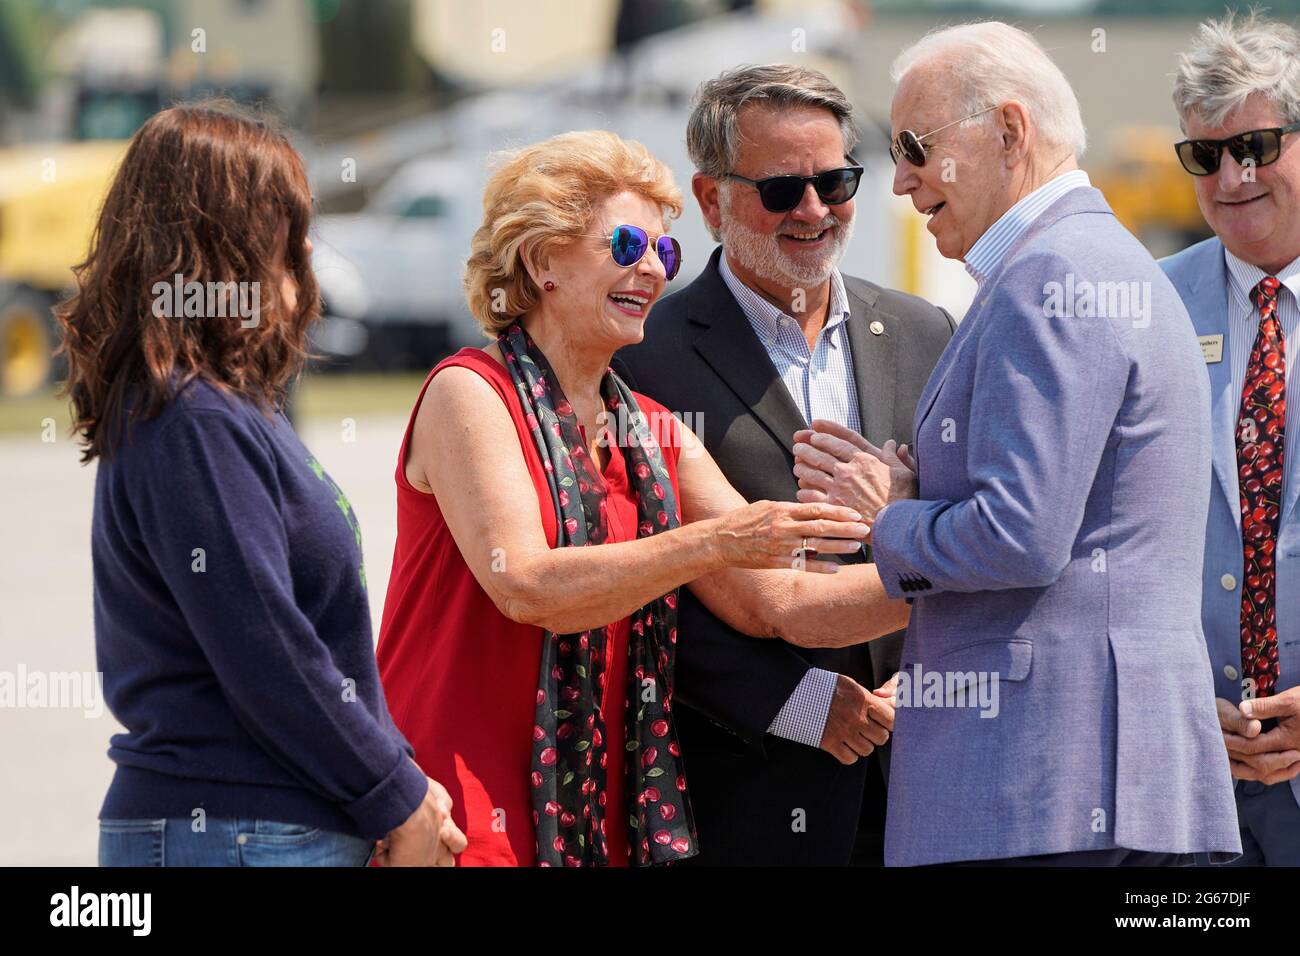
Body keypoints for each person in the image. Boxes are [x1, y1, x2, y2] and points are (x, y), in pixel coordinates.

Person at [375, 129, 910, 867]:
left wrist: (953, 575)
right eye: (627, 244)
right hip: (461, 811)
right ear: (540, 258)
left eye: (666, 253)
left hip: (593, 820)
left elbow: (776, 600)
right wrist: (715, 542)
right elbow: (527, 585)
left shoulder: (653, 431)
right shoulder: (471, 393)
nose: (653, 270)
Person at [799, 22, 1241, 865]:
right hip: (1097, 780)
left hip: (1038, 787)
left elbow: (1019, 535)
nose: (902, 182)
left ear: (1008, 131)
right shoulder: (1102, 260)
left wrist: (886, 514)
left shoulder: (1052, 275)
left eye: (917, 148)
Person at [60, 102, 466, 867]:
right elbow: (265, 648)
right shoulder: (193, 420)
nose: (306, 245)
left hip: (263, 824)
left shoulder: (228, 407)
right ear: (226, 242)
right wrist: (396, 794)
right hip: (233, 827)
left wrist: (400, 771)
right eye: (285, 221)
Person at [614, 64, 954, 866]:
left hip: (926, 776)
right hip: (749, 789)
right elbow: (640, 579)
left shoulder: (925, 331)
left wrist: (942, 668)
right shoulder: (641, 360)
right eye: (780, 191)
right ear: (710, 200)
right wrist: (796, 703)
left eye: (835, 181)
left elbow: (972, 523)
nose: (813, 210)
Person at [1162, 10, 1300, 865]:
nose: (1234, 174)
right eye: (1206, 155)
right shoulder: (1143, 306)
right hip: (1187, 779)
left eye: (1257, 145)